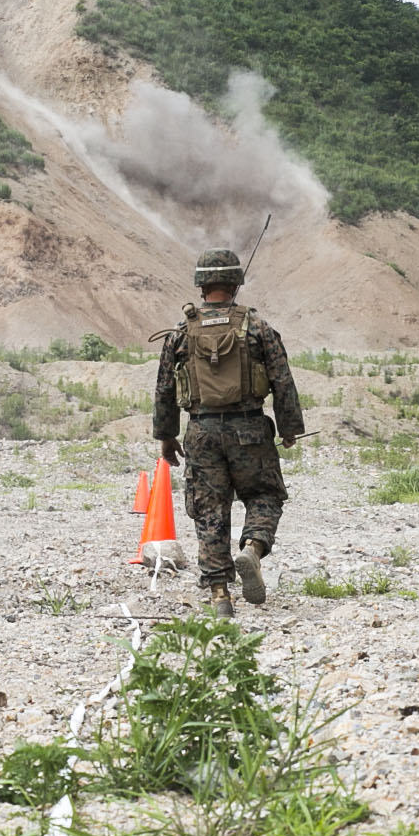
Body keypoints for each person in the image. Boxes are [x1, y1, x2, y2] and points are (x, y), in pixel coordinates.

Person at [152, 248, 305, 620]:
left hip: (202, 431)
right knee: (265, 494)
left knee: (209, 510)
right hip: (250, 428)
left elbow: (164, 390)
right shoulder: (257, 327)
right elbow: (282, 380)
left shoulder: (181, 334)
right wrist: (289, 429)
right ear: (236, 282)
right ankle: (252, 548)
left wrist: (167, 437)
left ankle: (220, 594)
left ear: (201, 284)